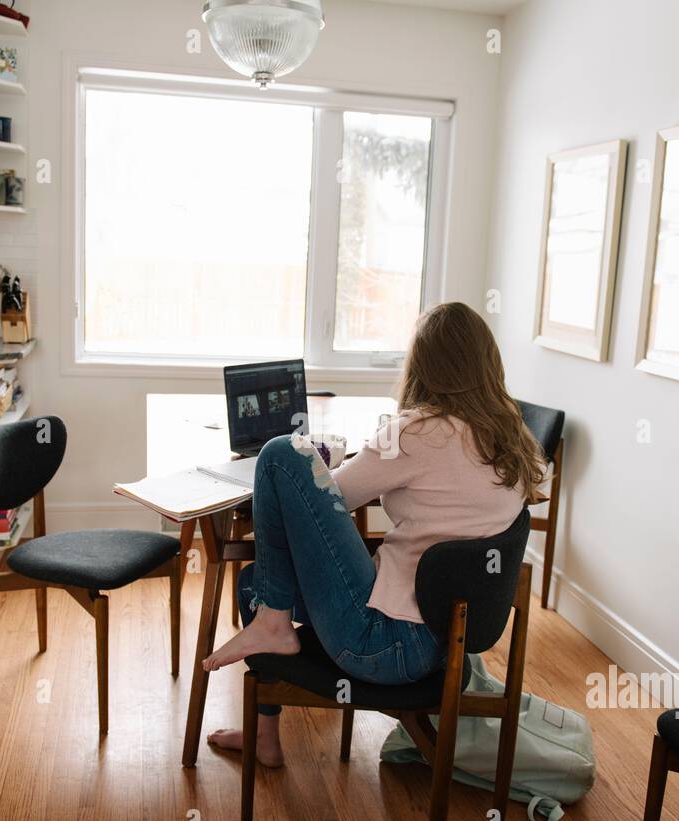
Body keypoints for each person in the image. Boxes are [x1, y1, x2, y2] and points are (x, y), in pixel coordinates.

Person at [204, 302, 546, 768]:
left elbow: (331, 499)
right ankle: (265, 722)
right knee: (256, 586)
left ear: (423, 364)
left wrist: (365, 450)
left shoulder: (417, 432)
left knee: (282, 452)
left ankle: (273, 626)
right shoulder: (511, 440)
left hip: (383, 643)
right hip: (445, 644)